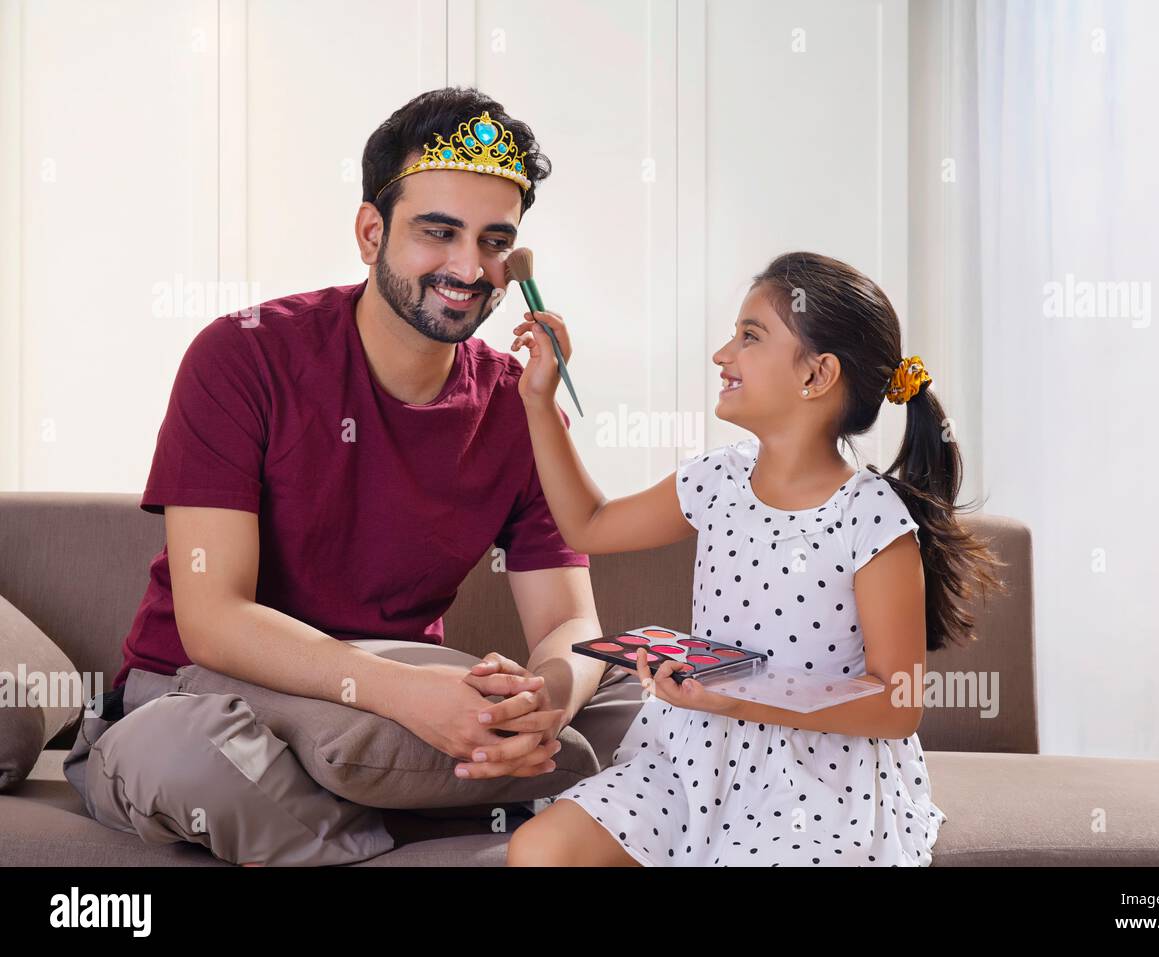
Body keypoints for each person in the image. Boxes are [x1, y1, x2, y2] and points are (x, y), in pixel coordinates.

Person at [62, 87, 643, 866]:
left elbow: (570, 625)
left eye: (494, 241)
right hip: (211, 693)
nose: (469, 267)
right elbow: (214, 617)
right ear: (372, 231)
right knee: (185, 749)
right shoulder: (242, 357)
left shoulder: (518, 402)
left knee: (650, 703)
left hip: (395, 722)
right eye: (438, 232)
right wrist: (400, 693)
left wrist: (548, 700)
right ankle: (410, 843)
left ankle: (403, 824)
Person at [504, 251, 1008, 865]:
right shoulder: (716, 478)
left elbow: (897, 705)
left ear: (817, 375)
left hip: (817, 776)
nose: (723, 355)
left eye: (750, 337)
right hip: (691, 756)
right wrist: (538, 399)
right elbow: (588, 525)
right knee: (540, 849)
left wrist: (736, 700)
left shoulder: (870, 518)